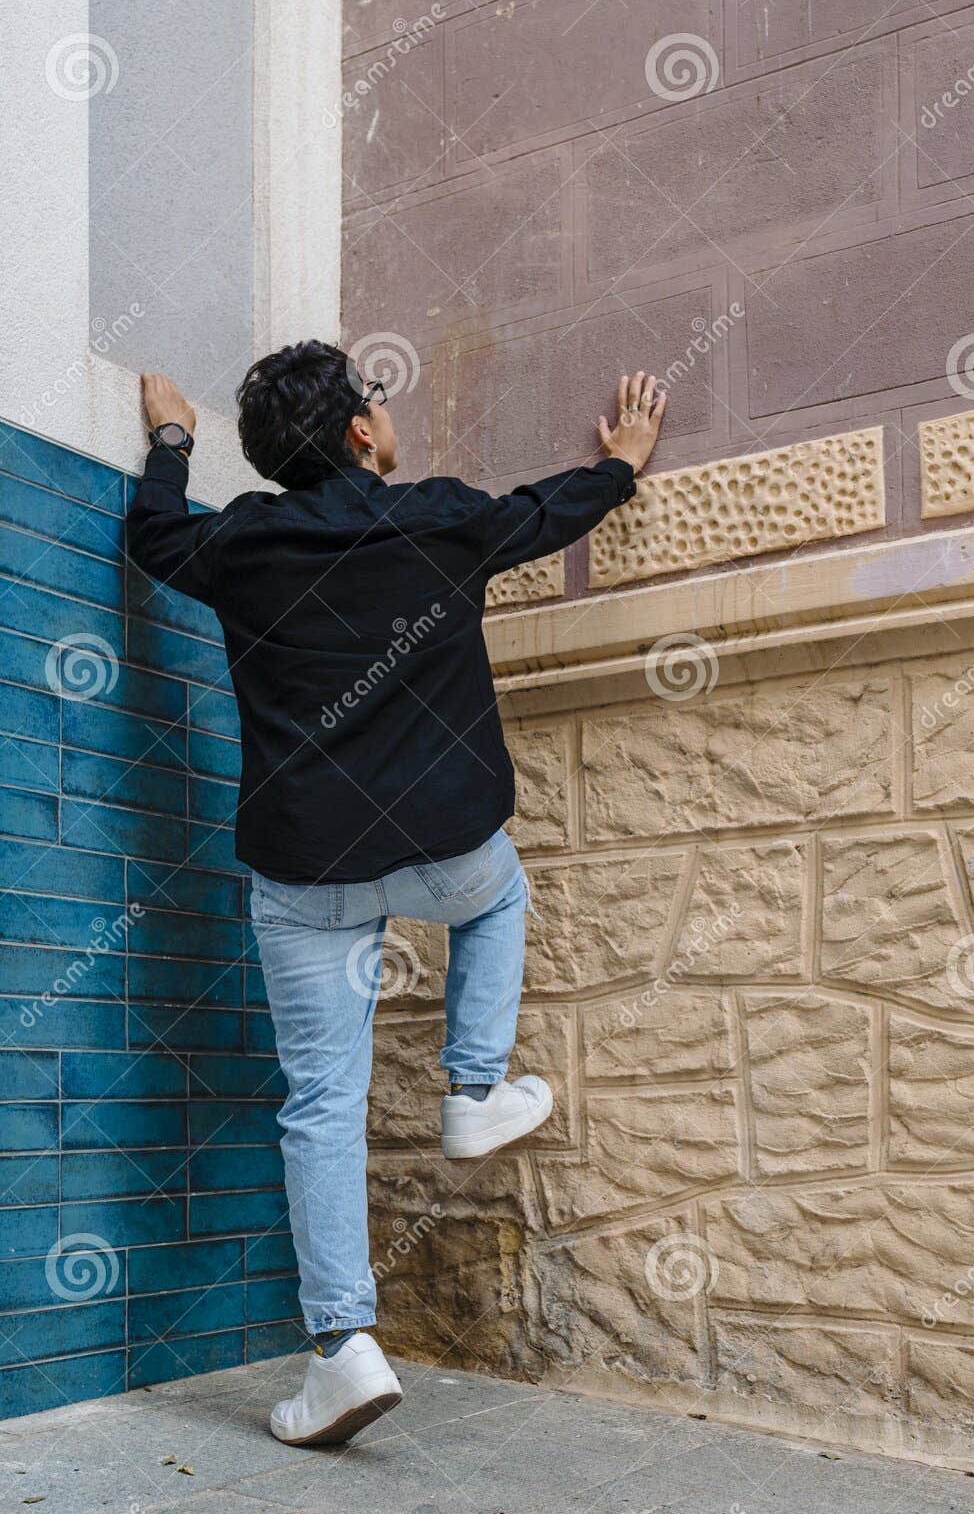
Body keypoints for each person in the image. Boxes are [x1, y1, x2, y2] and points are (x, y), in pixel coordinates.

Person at [127, 343, 666, 1446]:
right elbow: (546, 513)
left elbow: (152, 540)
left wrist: (173, 442)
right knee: (498, 898)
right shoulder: (439, 518)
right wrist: (620, 465)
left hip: (303, 864)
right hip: (441, 842)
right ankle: (472, 1091)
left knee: (320, 1104)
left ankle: (340, 1349)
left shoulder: (240, 542)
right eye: (376, 399)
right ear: (363, 433)